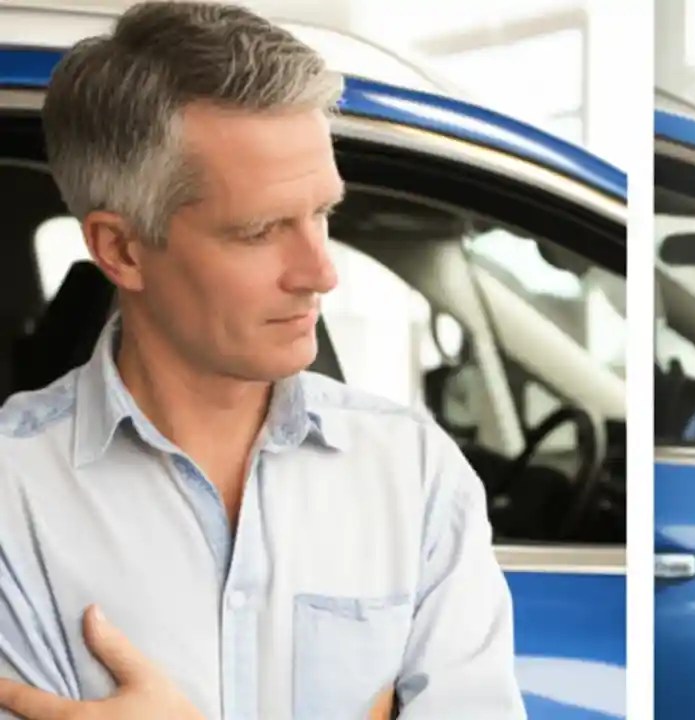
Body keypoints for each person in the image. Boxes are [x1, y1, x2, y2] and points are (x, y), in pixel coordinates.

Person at [0, 3, 525, 719]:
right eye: (260, 231)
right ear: (120, 249)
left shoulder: (417, 476)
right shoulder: (13, 496)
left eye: (322, 215)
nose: (320, 272)